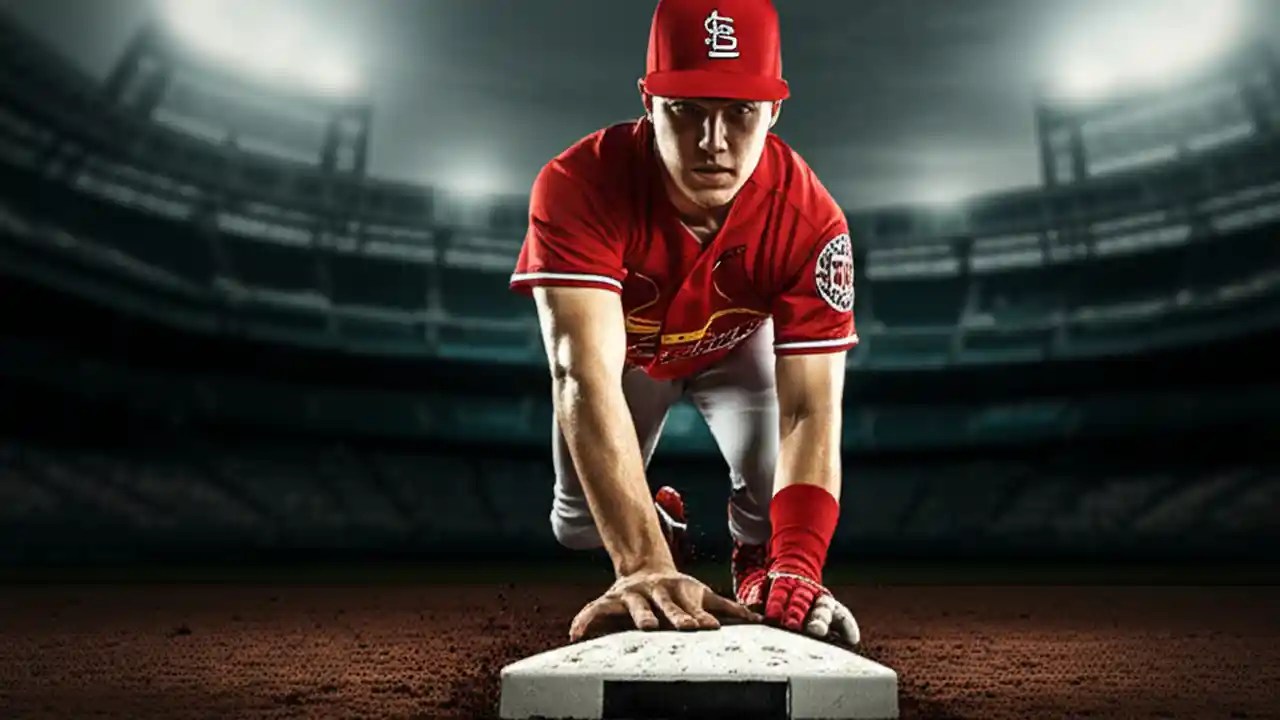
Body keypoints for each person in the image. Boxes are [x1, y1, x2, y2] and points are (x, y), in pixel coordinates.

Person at [509, 0, 860, 646]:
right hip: (630, 360)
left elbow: (813, 410)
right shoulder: (578, 184)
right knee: (580, 525)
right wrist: (643, 561)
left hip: (736, 348)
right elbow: (583, 376)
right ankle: (659, 526)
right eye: (688, 110)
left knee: (772, 500)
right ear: (648, 102)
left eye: (740, 112)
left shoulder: (810, 218)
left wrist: (800, 566)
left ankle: (757, 562)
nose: (713, 143)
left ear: (776, 110)